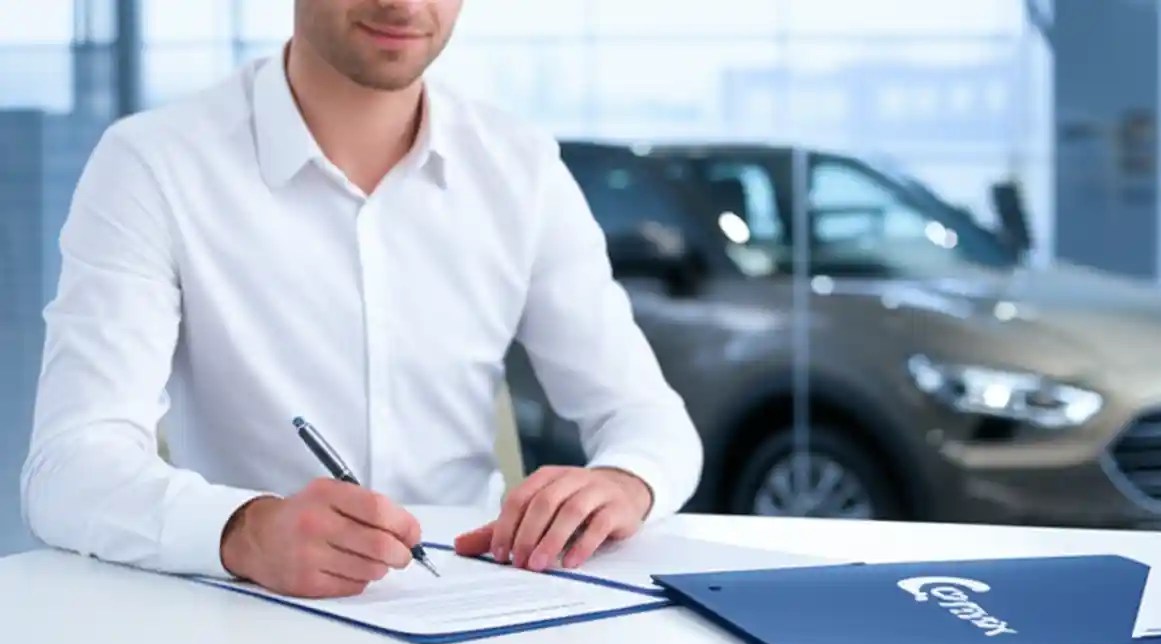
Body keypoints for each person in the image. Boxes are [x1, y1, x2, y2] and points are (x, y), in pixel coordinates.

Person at [20, 0, 702, 599]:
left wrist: (623, 481)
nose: (401, 2)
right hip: (245, 622)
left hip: (474, 612)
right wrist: (243, 531)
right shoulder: (154, 164)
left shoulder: (520, 169)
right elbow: (69, 468)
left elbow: (650, 420)